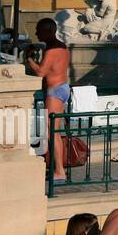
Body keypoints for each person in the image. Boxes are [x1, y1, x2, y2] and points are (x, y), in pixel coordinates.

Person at [25, 18, 71, 183]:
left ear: (49, 31)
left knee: (52, 132)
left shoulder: (51, 51)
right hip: (62, 88)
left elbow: (41, 72)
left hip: (55, 91)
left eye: (39, 30)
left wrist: (28, 59)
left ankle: (59, 171)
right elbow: (53, 69)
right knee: (54, 132)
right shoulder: (62, 47)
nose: (36, 33)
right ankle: (57, 169)